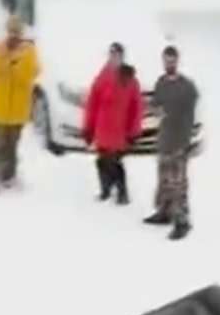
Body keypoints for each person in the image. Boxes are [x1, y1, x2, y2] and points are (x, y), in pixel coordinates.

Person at [145, 45, 199, 240]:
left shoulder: (187, 87)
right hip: (164, 139)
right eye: (166, 60)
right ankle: (164, 212)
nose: (169, 63)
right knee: (164, 180)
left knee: (179, 183)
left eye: (172, 60)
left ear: (177, 61)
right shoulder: (161, 83)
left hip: (179, 140)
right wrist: (154, 109)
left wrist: (186, 139)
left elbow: (191, 114)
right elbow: (155, 105)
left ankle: (182, 220)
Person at [0, 15, 39, 194]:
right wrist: (5, 63)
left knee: (12, 146)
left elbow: (32, 73)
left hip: (18, 110)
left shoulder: (29, 52)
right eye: (11, 31)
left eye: (17, 32)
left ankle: (10, 176)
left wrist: (16, 66)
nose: (14, 35)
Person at [83, 43, 143, 204]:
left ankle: (122, 193)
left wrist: (133, 132)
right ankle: (106, 189)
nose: (114, 58)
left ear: (122, 58)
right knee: (102, 161)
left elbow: (136, 108)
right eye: (112, 55)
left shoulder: (129, 79)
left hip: (119, 131)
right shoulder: (101, 78)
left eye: (117, 56)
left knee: (115, 162)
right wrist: (88, 129)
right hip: (102, 130)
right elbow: (91, 105)